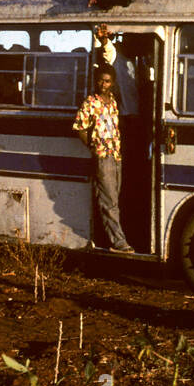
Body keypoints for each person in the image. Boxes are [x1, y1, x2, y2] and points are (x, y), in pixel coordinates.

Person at [73, 65, 133, 252]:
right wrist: (93, 147)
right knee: (109, 201)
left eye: (107, 81)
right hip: (102, 156)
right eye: (100, 80)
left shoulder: (113, 101)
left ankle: (109, 236)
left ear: (112, 83)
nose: (103, 84)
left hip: (116, 155)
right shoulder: (90, 102)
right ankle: (118, 242)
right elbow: (80, 128)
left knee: (113, 198)